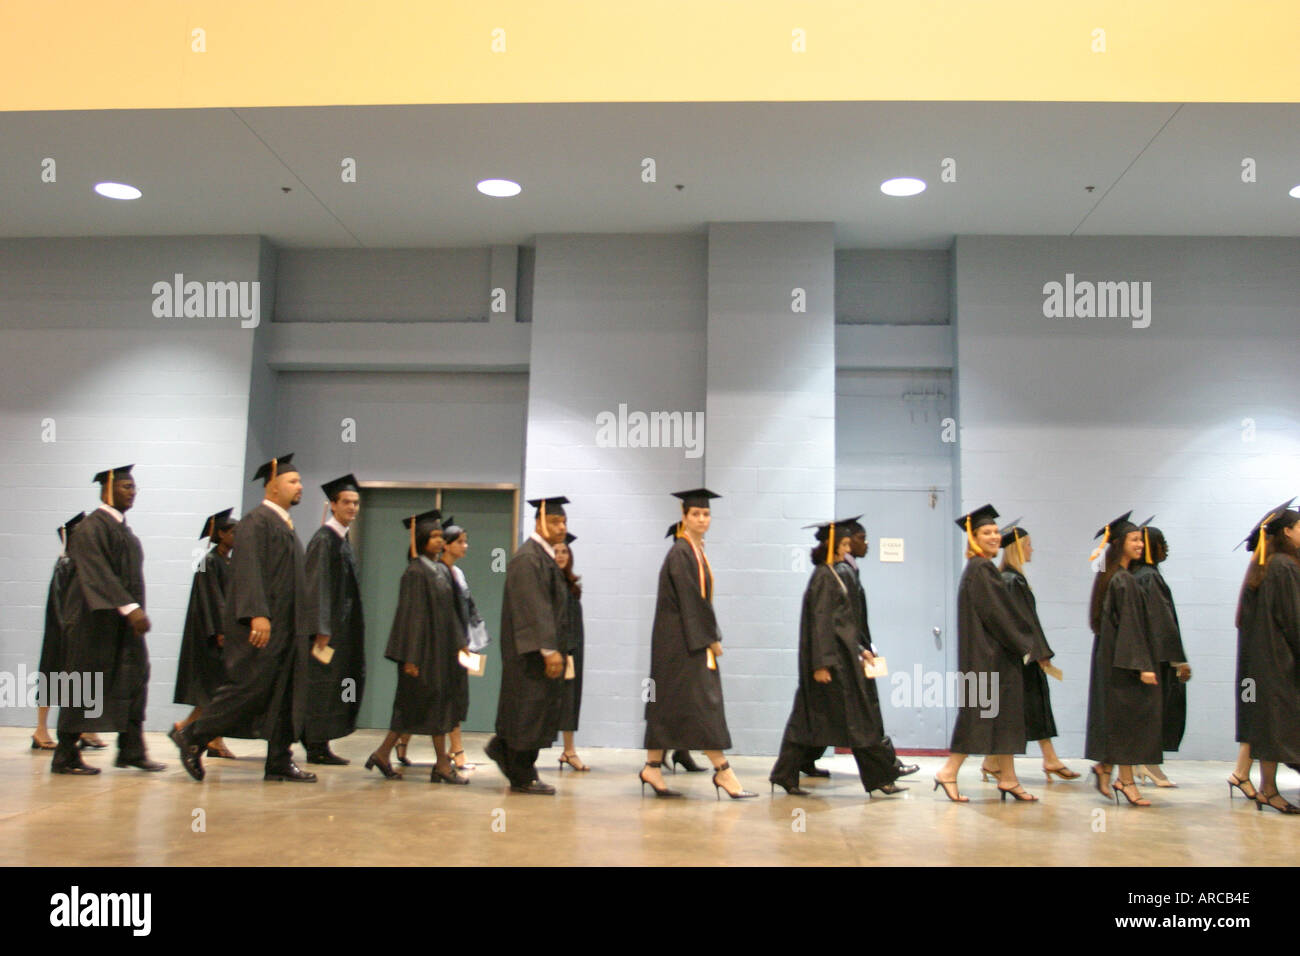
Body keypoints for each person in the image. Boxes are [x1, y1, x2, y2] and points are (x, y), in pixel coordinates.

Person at [171, 453, 317, 783]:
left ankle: (279, 759)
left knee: (284, 693)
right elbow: (248, 570)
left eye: (299, 481)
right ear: (272, 487)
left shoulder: (284, 525)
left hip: (288, 628)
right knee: (249, 688)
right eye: (293, 481)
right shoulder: (256, 522)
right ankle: (193, 736)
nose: (300, 486)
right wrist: (257, 614)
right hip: (264, 627)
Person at [770, 520, 903, 798]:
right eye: (843, 545)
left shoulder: (834, 573)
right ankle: (879, 778)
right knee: (850, 720)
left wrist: (860, 649)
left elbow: (843, 623)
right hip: (830, 664)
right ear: (831, 546)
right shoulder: (823, 576)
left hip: (843, 658)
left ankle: (784, 773)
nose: (846, 550)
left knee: (811, 721)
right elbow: (820, 623)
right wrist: (820, 664)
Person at [641, 489, 754, 800]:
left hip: (680, 642)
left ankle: (652, 766)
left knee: (667, 705)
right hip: (681, 645)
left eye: (706, 514)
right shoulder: (681, 553)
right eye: (696, 514)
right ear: (684, 516)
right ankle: (724, 772)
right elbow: (693, 601)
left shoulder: (693, 550)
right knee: (705, 705)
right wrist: (711, 638)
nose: (702, 519)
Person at [933, 504, 1049, 803]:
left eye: (996, 532)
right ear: (974, 538)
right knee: (978, 718)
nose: (995, 536)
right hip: (988, 659)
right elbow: (999, 614)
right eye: (987, 532)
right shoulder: (981, 568)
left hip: (994, 657)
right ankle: (948, 772)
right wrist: (1026, 644)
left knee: (1005, 719)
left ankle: (1008, 778)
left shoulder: (978, 568)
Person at [54, 466, 164, 775]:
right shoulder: (91, 528)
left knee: (135, 677)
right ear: (108, 488)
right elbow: (98, 573)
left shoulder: (122, 529)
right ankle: (65, 754)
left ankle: (131, 749)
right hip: (93, 624)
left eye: (134, 487)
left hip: (121, 625)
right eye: (126, 486)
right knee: (84, 684)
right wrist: (131, 608)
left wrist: (131, 612)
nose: (132, 491)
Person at [366, 509, 469, 784]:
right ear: (421, 539)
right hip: (421, 655)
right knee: (424, 709)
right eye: (432, 536)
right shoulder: (414, 572)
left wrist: (461, 644)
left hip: (440, 653)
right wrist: (410, 658)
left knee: (426, 709)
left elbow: (450, 613)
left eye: (439, 536)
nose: (437, 540)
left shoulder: (440, 570)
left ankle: (384, 754)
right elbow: (409, 617)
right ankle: (441, 766)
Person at [981, 520, 1078, 783]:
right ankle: (1045, 759)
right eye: (1029, 545)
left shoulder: (1012, 578)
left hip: (1024, 656)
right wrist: (1039, 652)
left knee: (1032, 707)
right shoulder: (1011, 580)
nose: (1032, 549)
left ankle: (1037, 759)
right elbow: (1023, 622)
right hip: (1020, 658)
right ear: (1019, 548)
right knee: (1029, 706)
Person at [484, 496, 570, 794]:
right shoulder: (528, 558)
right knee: (528, 710)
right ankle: (521, 772)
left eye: (563, 522)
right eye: (554, 521)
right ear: (539, 521)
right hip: (530, 653)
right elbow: (535, 607)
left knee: (531, 710)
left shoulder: (542, 556)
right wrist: (549, 650)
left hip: (535, 651)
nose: (560, 527)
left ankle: (505, 752)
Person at [1083, 511, 1162, 807]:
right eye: (1133, 539)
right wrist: (1142, 666)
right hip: (1124, 663)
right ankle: (1124, 781)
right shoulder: (1123, 580)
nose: (1140, 544)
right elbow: (1130, 625)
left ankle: (1110, 769)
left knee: (1120, 722)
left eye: (1140, 539)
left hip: (1112, 659)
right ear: (1119, 544)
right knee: (1128, 722)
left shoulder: (1110, 577)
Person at [1227, 499, 1294, 803]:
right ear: (1288, 533)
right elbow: (1293, 618)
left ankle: (1253, 781)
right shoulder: (1284, 566)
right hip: (1280, 664)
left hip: (1257, 668)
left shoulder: (1263, 567)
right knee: (1274, 726)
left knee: (1265, 724)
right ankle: (1265, 788)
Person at [301, 474, 366, 765]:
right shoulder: (324, 539)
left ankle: (320, 741)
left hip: (339, 629)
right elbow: (317, 586)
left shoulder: (342, 538)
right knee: (321, 685)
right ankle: (314, 744)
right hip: (326, 633)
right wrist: (321, 627)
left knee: (332, 685)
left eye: (356, 503)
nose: (352, 507)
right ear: (333, 505)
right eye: (346, 502)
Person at [1129, 518, 1191, 787]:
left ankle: (1142, 763)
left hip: (1142, 655)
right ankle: (1149, 764)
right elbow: (1162, 622)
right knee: (1156, 711)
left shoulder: (1135, 576)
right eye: (1162, 543)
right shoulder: (1150, 578)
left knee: (1144, 712)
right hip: (1156, 658)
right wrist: (1178, 660)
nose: (1167, 547)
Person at [172, 508, 238, 759]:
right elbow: (213, 600)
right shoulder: (208, 562)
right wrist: (221, 632)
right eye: (234, 532)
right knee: (214, 691)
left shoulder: (226, 561)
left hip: (221, 635)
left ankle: (212, 739)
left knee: (216, 692)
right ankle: (185, 728)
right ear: (221, 534)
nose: (238, 537)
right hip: (211, 637)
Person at [32, 512, 85, 751]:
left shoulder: (81, 563)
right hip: (60, 631)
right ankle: (40, 729)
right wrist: (68, 628)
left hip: (75, 629)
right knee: (52, 677)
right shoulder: (65, 562)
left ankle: (84, 730)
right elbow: (59, 601)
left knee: (82, 681)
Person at [555, 533, 589, 772]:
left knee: (569, 702)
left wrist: (571, 651)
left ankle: (569, 751)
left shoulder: (571, 585)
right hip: (553, 652)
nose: (560, 556)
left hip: (571, 652)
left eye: (564, 552)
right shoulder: (545, 582)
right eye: (556, 552)